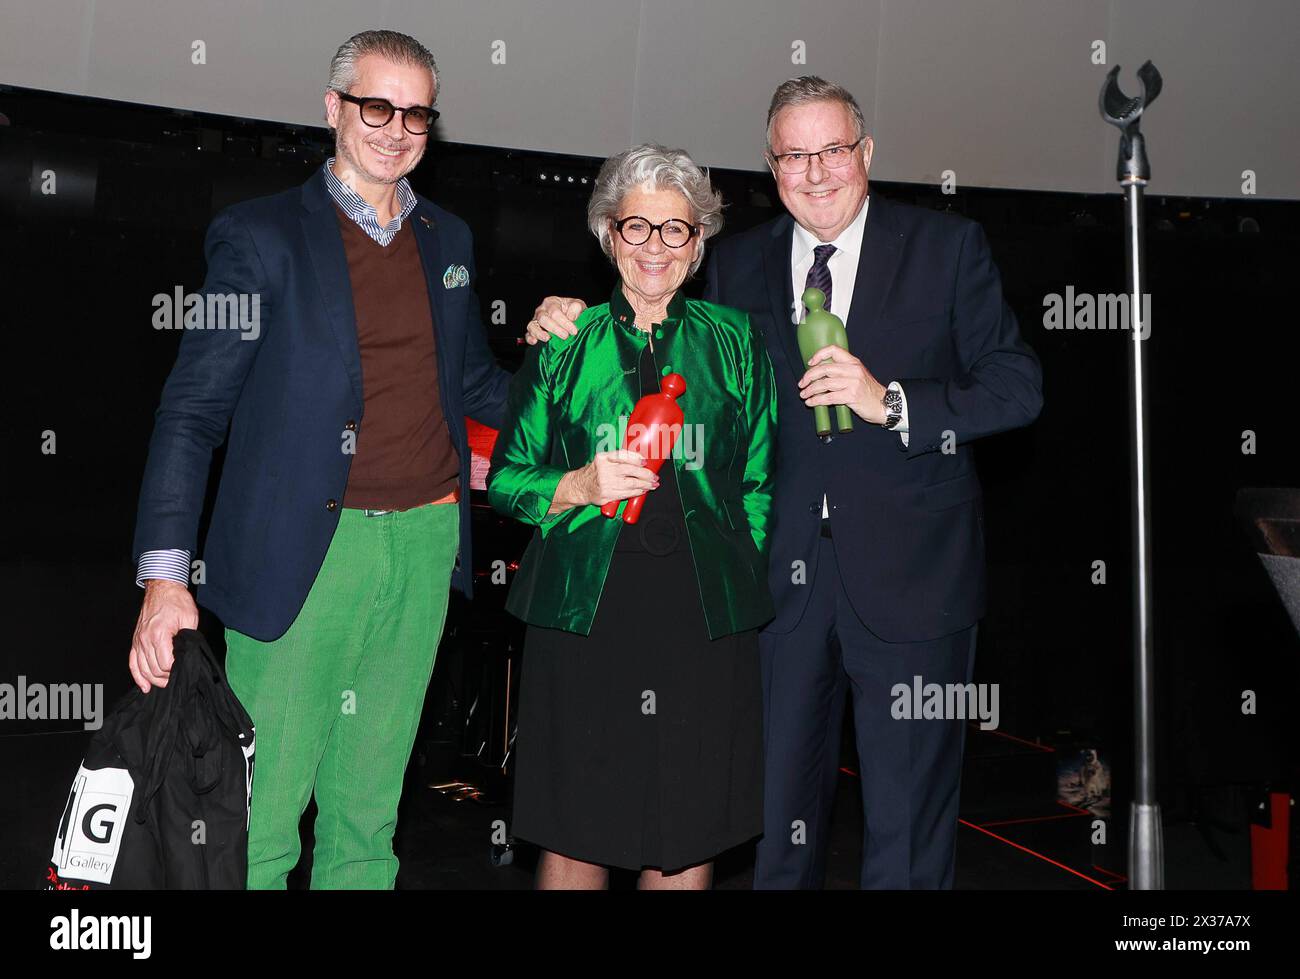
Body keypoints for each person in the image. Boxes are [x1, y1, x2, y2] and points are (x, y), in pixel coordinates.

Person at [526, 76, 1044, 889]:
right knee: (767, 825)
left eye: (832, 150)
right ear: (772, 168)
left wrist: (893, 401)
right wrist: (557, 317)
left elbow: (1018, 386)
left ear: (865, 154)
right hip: (773, 589)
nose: (816, 171)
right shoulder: (733, 266)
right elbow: (646, 328)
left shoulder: (948, 248)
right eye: (794, 155)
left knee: (908, 828)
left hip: (915, 585)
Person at [127, 29, 569, 889]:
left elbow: (476, 386)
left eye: (416, 113)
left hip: (424, 547)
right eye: (377, 106)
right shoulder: (258, 238)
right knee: (260, 822)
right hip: (303, 557)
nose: (397, 128)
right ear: (333, 109)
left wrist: (565, 361)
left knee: (368, 822)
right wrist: (164, 576)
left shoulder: (450, 239)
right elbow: (190, 413)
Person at [488, 144, 778, 890]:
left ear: (700, 241)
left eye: (675, 229)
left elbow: (758, 483)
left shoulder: (737, 340)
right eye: (636, 227)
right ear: (607, 233)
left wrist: (736, 575)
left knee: (685, 837)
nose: (655, 246)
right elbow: (507, 483)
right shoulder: (564, 341)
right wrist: (579, 484)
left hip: (701, 625)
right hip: (586, 618)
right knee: (577, 832)